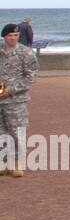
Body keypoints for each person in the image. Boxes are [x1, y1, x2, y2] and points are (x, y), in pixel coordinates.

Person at [0, 23, 39, 177]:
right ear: (4, 37)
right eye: (10, 36)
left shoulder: (26, 53)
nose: (13, 38)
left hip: (16, 100)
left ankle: (17, 164)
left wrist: (10, 91)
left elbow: (31, 77)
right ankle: (3, 163)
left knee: (17, 132)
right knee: (1, 132)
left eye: (16, 35)